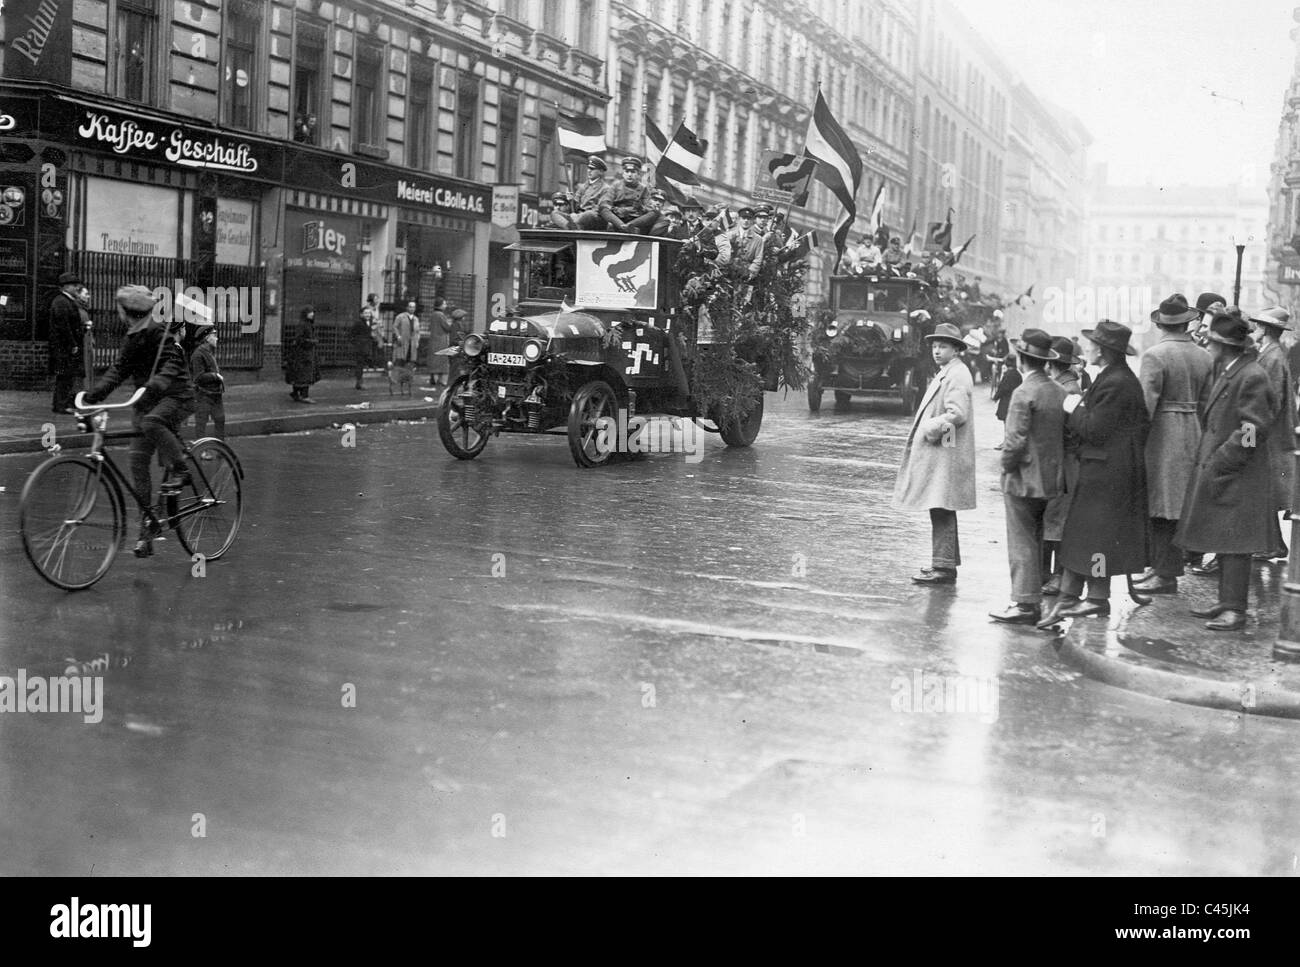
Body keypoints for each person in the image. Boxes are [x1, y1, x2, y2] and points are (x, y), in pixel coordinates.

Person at [1038, 320, 1150, 628]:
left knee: (1096, 539)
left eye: (1091, 345)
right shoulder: (1117, 378)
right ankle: (1074, 599)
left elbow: (1095, 430)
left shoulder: (1116, 382)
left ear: (1102, 350)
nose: (1086, 349)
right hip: (1106, 469)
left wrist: (1074, 407)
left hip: (1107, 473)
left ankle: (1095, 600)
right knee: (1089, 537)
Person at [1175, 309, 1278, 631]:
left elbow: (1253, 429)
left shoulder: (1251, 375)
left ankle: (1235, 609)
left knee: (1235, 542)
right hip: (1228, 472)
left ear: (1224, 346)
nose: (1206, 346)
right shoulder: (1232, 370)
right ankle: (1227, 602)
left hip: (1238, 473)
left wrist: (1223, 460)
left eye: (1211, 342)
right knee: (1225, 536)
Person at [82, 285, 195, 557]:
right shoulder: (134, 334)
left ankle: (182, 469)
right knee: (137, 465)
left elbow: (172, 362)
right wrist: (93, 395)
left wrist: (157, 383)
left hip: (175, 396)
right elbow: (120, 369)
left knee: (151, 425)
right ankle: (148, 528)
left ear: (124, 311)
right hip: (147, 401)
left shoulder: (158, 329)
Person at [1132, 294, 1215, 595]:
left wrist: (1136, 440)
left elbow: (1146, 404)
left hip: (1162, 434)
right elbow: (1207, 403)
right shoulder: (1204, 356)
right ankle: (1161, 568)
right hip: (1192, 429)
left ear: (1160, 324)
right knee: (1177, 503)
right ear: (1186, 322)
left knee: (1161, 504)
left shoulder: (1155, 355)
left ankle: (1164, 574)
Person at [989, 329, 1066, 624]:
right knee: (1037, 539)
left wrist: (1006, 468)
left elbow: (1015, 441)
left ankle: (1024, 602)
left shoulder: (1023, 392)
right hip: (1051, 479)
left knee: (1021, 541)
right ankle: (1032, 599)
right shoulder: (1059, 391)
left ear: (1021, 359)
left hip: (1023, 478)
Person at [893, 322, 976, 586]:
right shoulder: (949, 371)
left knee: (941, 507)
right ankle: (944, 564)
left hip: (946, 453)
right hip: (945, 452)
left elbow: (957, 414)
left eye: (943, 346)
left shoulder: (957, 374)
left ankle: (943, 567)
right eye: (935, 346)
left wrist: (931, 428)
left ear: (956, 350)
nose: (937, 351)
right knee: (940, 507)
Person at [1249, 306, 1296, 561]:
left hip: (1271, 436)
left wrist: (1256, 430)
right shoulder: (1270, 353)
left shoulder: (1273, 357)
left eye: (1257, 326)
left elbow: (1273, 400)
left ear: (1265, 329)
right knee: (1264, 489)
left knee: (1265, 487)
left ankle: (1273, 545)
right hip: (1271, 434)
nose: (1255, 330)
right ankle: (1274, 544)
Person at [1041, 336, 1083, 596]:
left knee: (1058, 521)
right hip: (1059, 461)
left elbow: (1066, 428)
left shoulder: (1070, 390)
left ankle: (1058, 577)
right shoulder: (1063, 385)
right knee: (1051, 519)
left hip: (1065, 463)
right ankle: (1047, 574)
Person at [48, 270, 85, 414]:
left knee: (67, 377)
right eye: (73, 285)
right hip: (64, 348)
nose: (77, 287)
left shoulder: (66, 301)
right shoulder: (62, 302)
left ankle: (63, 403)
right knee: (64, 377)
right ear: (64, 287)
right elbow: (63, 326)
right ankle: (61, 405)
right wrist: (73, 344)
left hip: (65, 347)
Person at [188, 324, 225, 441]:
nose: (217, 338)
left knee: (220, 419)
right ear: (207, 338)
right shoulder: (198, 354)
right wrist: (215, 376)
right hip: (204, 395)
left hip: (215, 394)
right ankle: (201, 451)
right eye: (214, 335)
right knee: (201, 423)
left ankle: (220, 448)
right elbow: (198, 377)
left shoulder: (208, 352)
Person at [596, 157, 650, 232]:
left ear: (638, 174)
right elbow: (606, 203)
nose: (629, 175)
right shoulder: (615, 186)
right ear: (623, 173)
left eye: (633, 172)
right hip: (617, 217)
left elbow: (647, 207)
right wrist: (616, 210)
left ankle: (628, 226)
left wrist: (635, 209)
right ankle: (624, 227)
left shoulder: (643, 188)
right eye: (627, 171)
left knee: (654, 213)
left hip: (635, 219)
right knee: (603, 209)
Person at [284, 306, 320, 402]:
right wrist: (312, 342)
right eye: (310, 312)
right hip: (304, 354)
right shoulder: (303, 325)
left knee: (300, 375)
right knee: (305, 375)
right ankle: (304, 395)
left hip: (305, 353)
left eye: (312, 312)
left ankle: (296, 393)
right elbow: (299, 339)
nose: (312, 314)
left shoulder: (307, 324)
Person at [571, 156, 610, 229]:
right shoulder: (583, 187)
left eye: (592, 169)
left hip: (595, 219)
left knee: (588, 215)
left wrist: (579, 215)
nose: (589, 171)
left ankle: (574, 228)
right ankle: (571, 227)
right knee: (555, 214)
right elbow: (576, 204)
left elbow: (601, 209)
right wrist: (570, 200)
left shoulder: (605, 188)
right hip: (580, 216)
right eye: (588, 168)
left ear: (601, 172)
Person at [424, 297, 452, 389]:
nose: (445, 305)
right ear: (440, 305)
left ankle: (434, 378)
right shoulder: (441, 315)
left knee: (434, 360)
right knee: (442, 360)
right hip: (441, 341)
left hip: (433, 340)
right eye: (444, 304)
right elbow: (447, 328)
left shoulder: (433, 315)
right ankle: (442, 381)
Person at [350, 306, 378, 391]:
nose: (367, 315)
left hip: (367, 347)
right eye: (366, 313)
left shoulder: (369, 322)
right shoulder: (358, 323)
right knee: (359, 365)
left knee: (362, 365)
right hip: (360, 347)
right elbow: (352, 335)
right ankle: (359, 383)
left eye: (369, 313)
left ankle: (360, 382)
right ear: (361, 314)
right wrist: (357, 343)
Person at [392, 299, 420, 369]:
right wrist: (398, 336)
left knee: (410, 360)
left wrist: (417, 341)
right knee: (400, 359)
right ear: (407, 307)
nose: (412, 309)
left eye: (413, 307)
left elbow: (417, 331)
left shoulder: (416, 319)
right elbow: (395, 327)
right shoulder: (400, 317)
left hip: (412, 342)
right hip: (403, 341)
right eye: (410, 307)